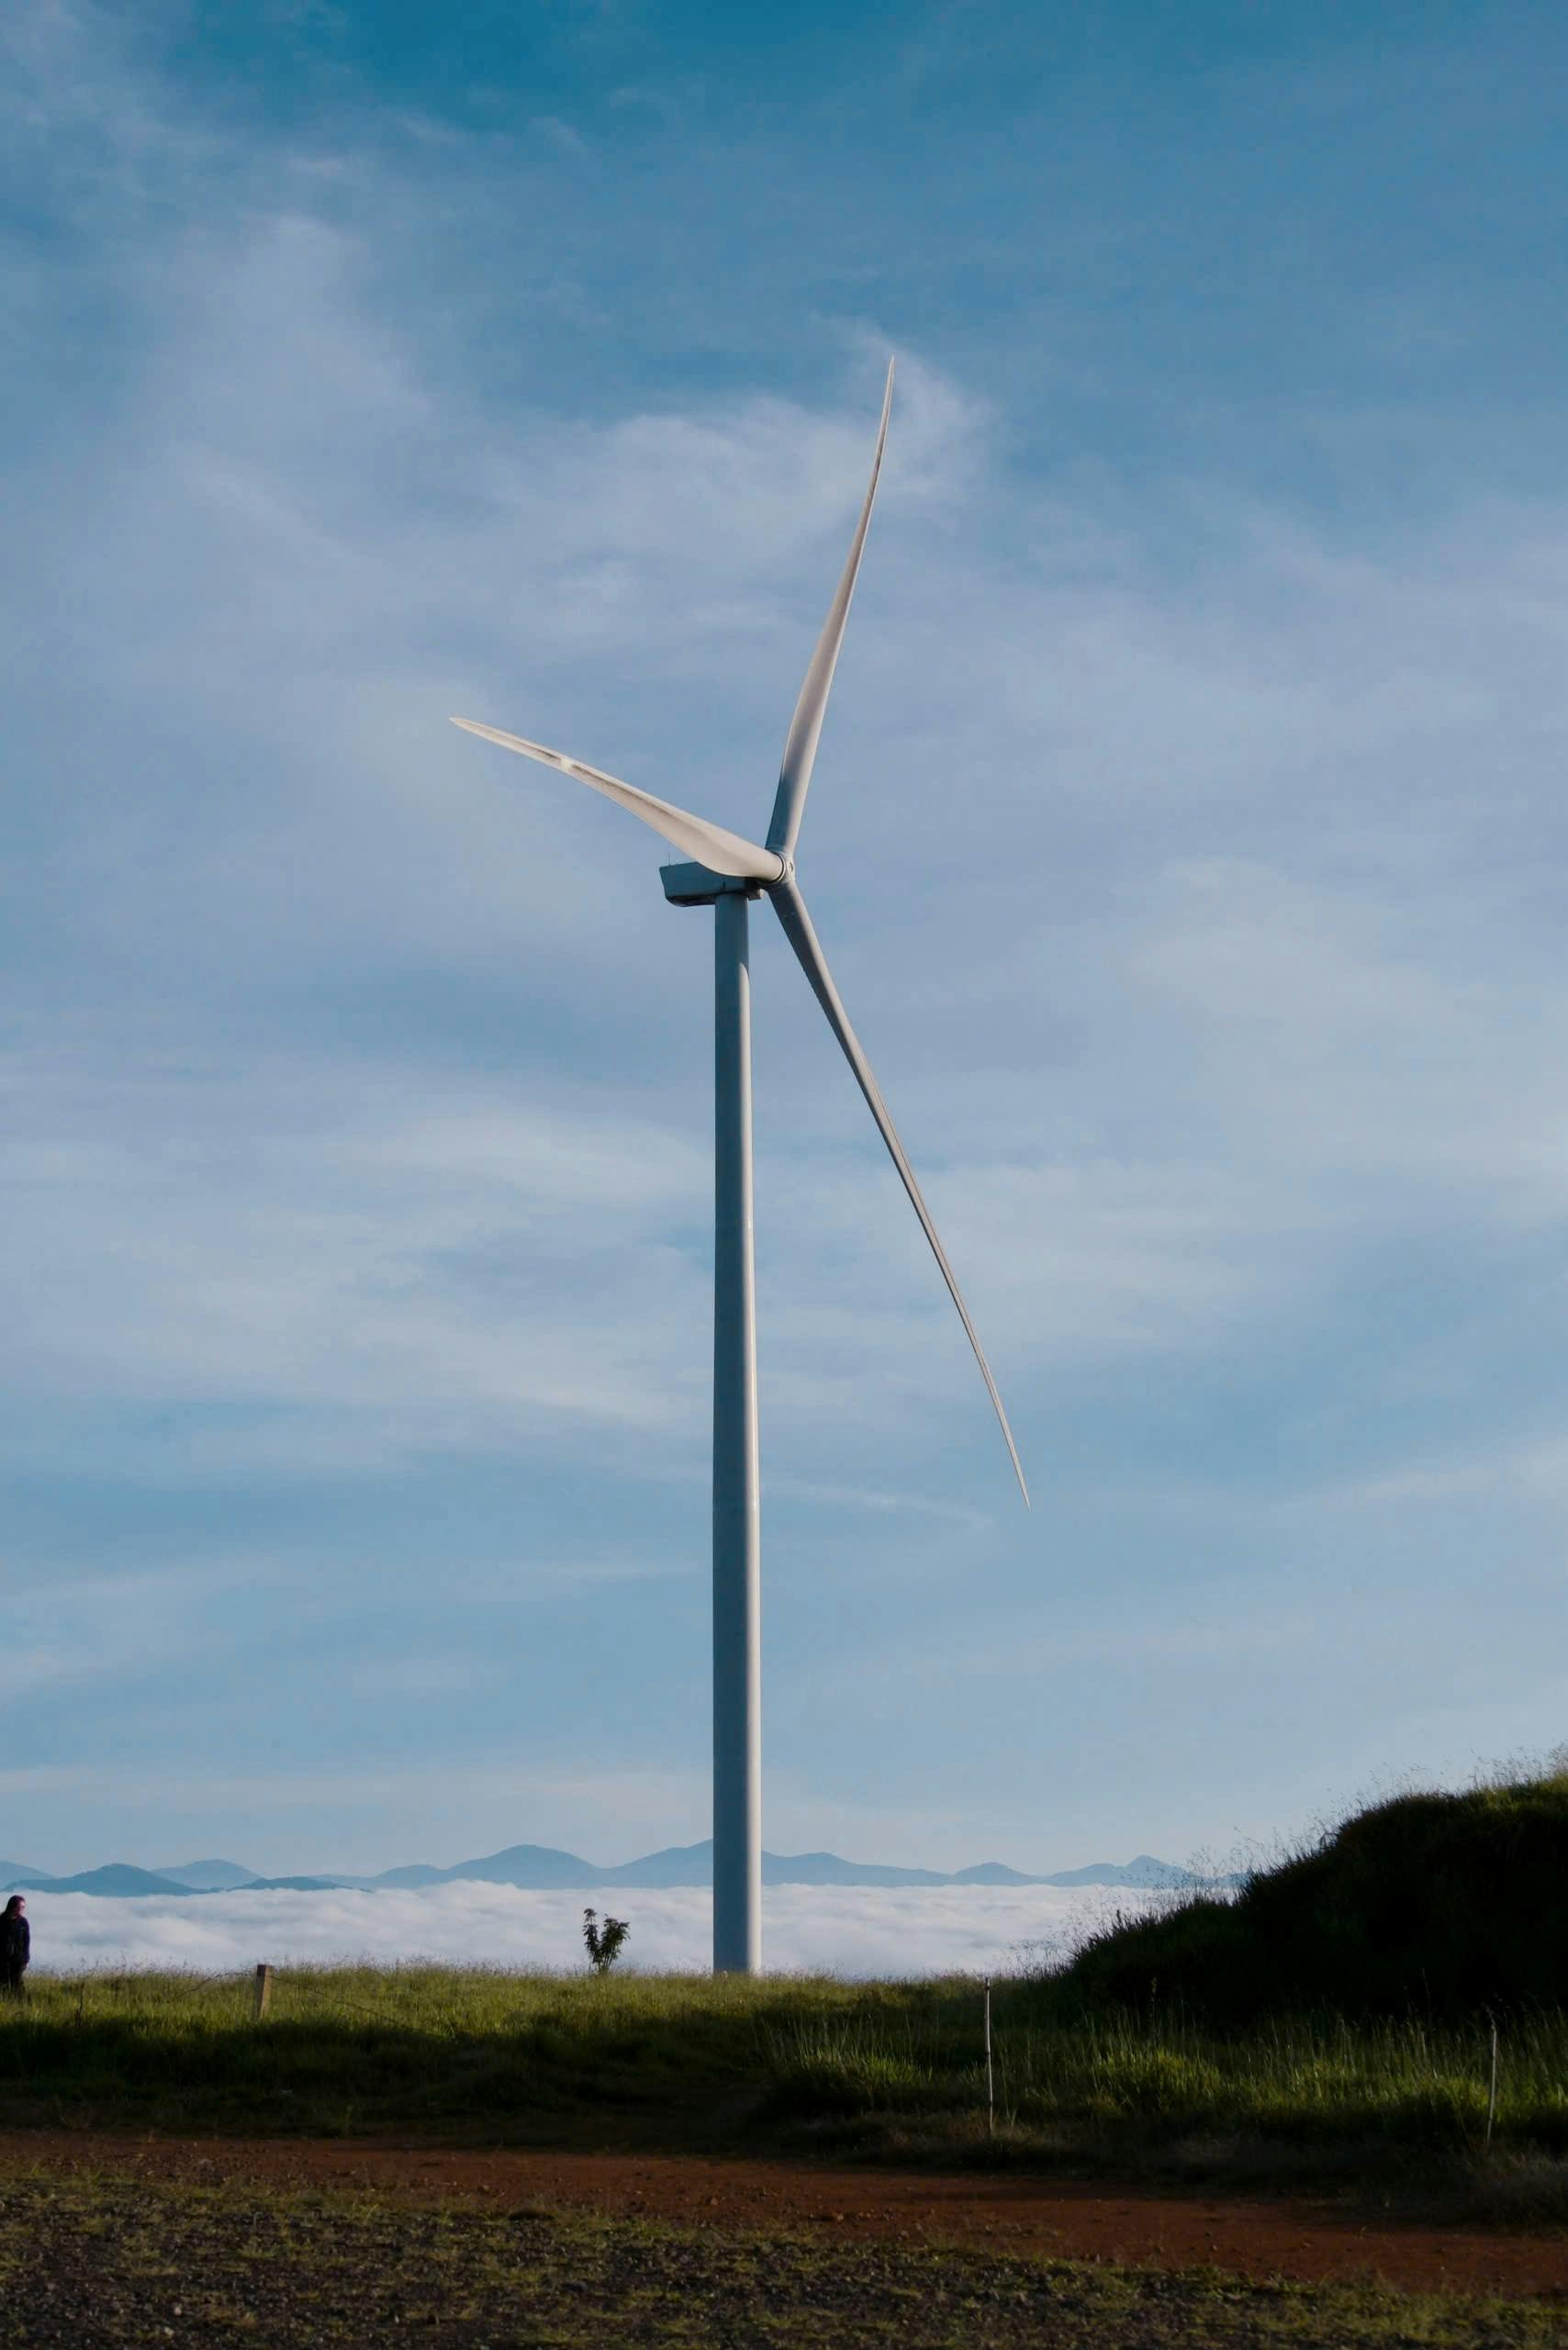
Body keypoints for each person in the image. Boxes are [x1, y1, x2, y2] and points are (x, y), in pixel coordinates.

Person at [0, 1896, 28, 1996]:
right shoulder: (2, 1920)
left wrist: (26, 1958)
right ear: (13, 1907)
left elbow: (26, 1941)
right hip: (3, 1958)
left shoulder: (23, 1922)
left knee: (17, 1983)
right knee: (3, 1983)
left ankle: (23, 2004)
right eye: (21, 1907)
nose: (23, 1909)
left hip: (18, 1959)